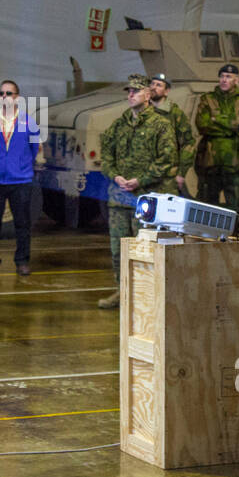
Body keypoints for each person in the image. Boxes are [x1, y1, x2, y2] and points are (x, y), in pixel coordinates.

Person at [97, 74, 177, 310]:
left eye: (136, 90)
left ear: (148, 95)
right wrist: (115, 175)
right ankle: (123, 292)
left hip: (146, 201)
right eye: (128, 91)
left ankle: (145, 296)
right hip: (119, 200)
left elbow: (167, 160)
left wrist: (140, 180)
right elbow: (106, 157)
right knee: (118, 250)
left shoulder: (161, 125)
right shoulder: (119, 124)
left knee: (145, 251)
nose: (130, 94)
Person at [0, 79, 40, 275]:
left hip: (20, 180)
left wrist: (20, 165)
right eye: (2, 93)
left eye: (9, 93)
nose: (5, 97)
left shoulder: (29, 123)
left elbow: (34, 148)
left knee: (22, 223)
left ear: (17, 98)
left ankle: (22, 261)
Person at [194, 63, 239, 210]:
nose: (224, 80)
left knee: (235, 206)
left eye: (228, 76)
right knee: (207, 205)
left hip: (234, 161)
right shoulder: (207, 99)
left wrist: (217, 119)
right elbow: (202, 125)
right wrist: (231, 126)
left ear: (236, 80)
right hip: (210, 161)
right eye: (222, 76)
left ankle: (235, 233)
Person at [149, 72, 196, 196]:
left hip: (167, 175)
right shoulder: (142, 112)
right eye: (152, 84)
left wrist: (181, 173)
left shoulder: (175, 114)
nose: (154, 87)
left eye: (159, 85)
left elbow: (188, 144)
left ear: (166, 91)